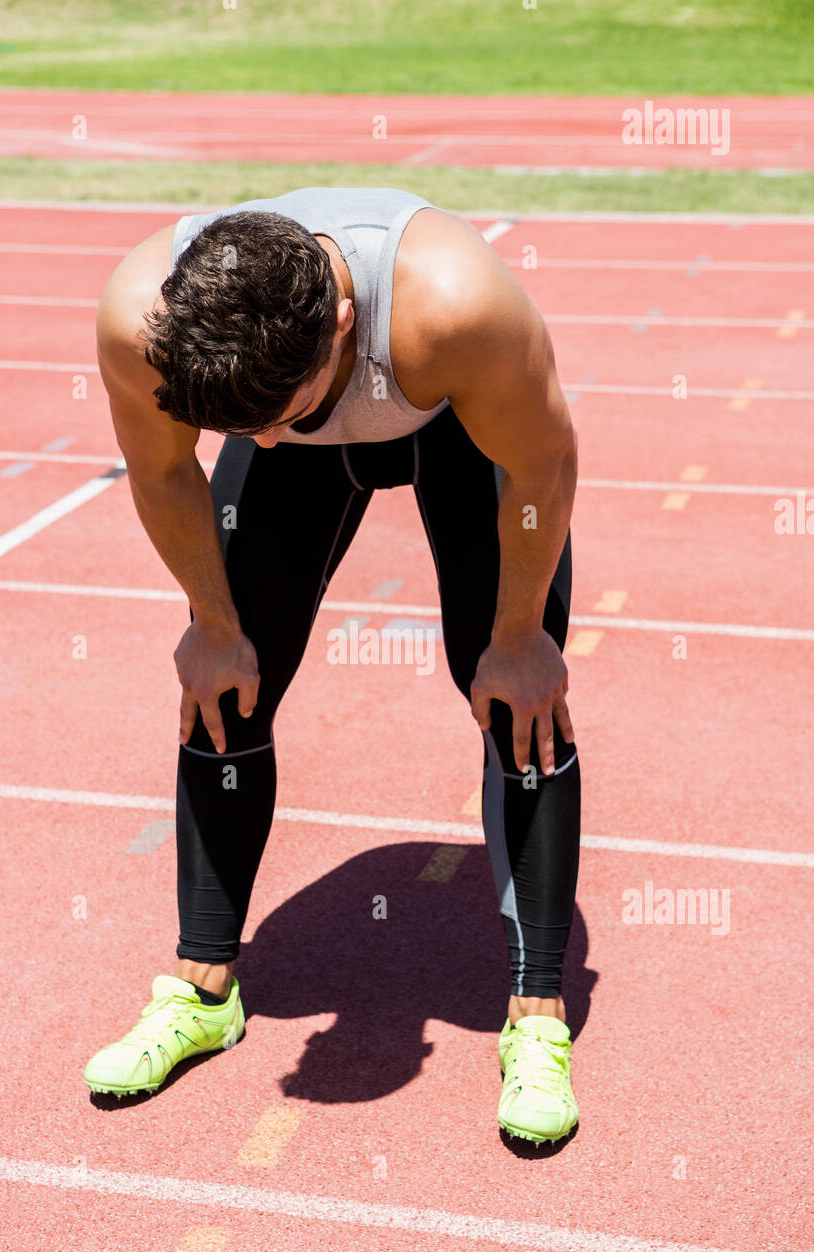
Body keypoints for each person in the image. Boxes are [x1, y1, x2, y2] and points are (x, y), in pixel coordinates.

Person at [87, 187, 581, 1143]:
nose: (264, 441)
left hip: (449, 417)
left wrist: (520, 636)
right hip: (301, 385)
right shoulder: (141, 317)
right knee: (227, 683)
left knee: (517, 698)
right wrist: (213, 622)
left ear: (342, 325)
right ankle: (201, 991)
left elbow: (543, 466)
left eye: (277, 415)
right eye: (247, 427)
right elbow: (161, 468)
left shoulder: (457, 306)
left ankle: (537, 1014)